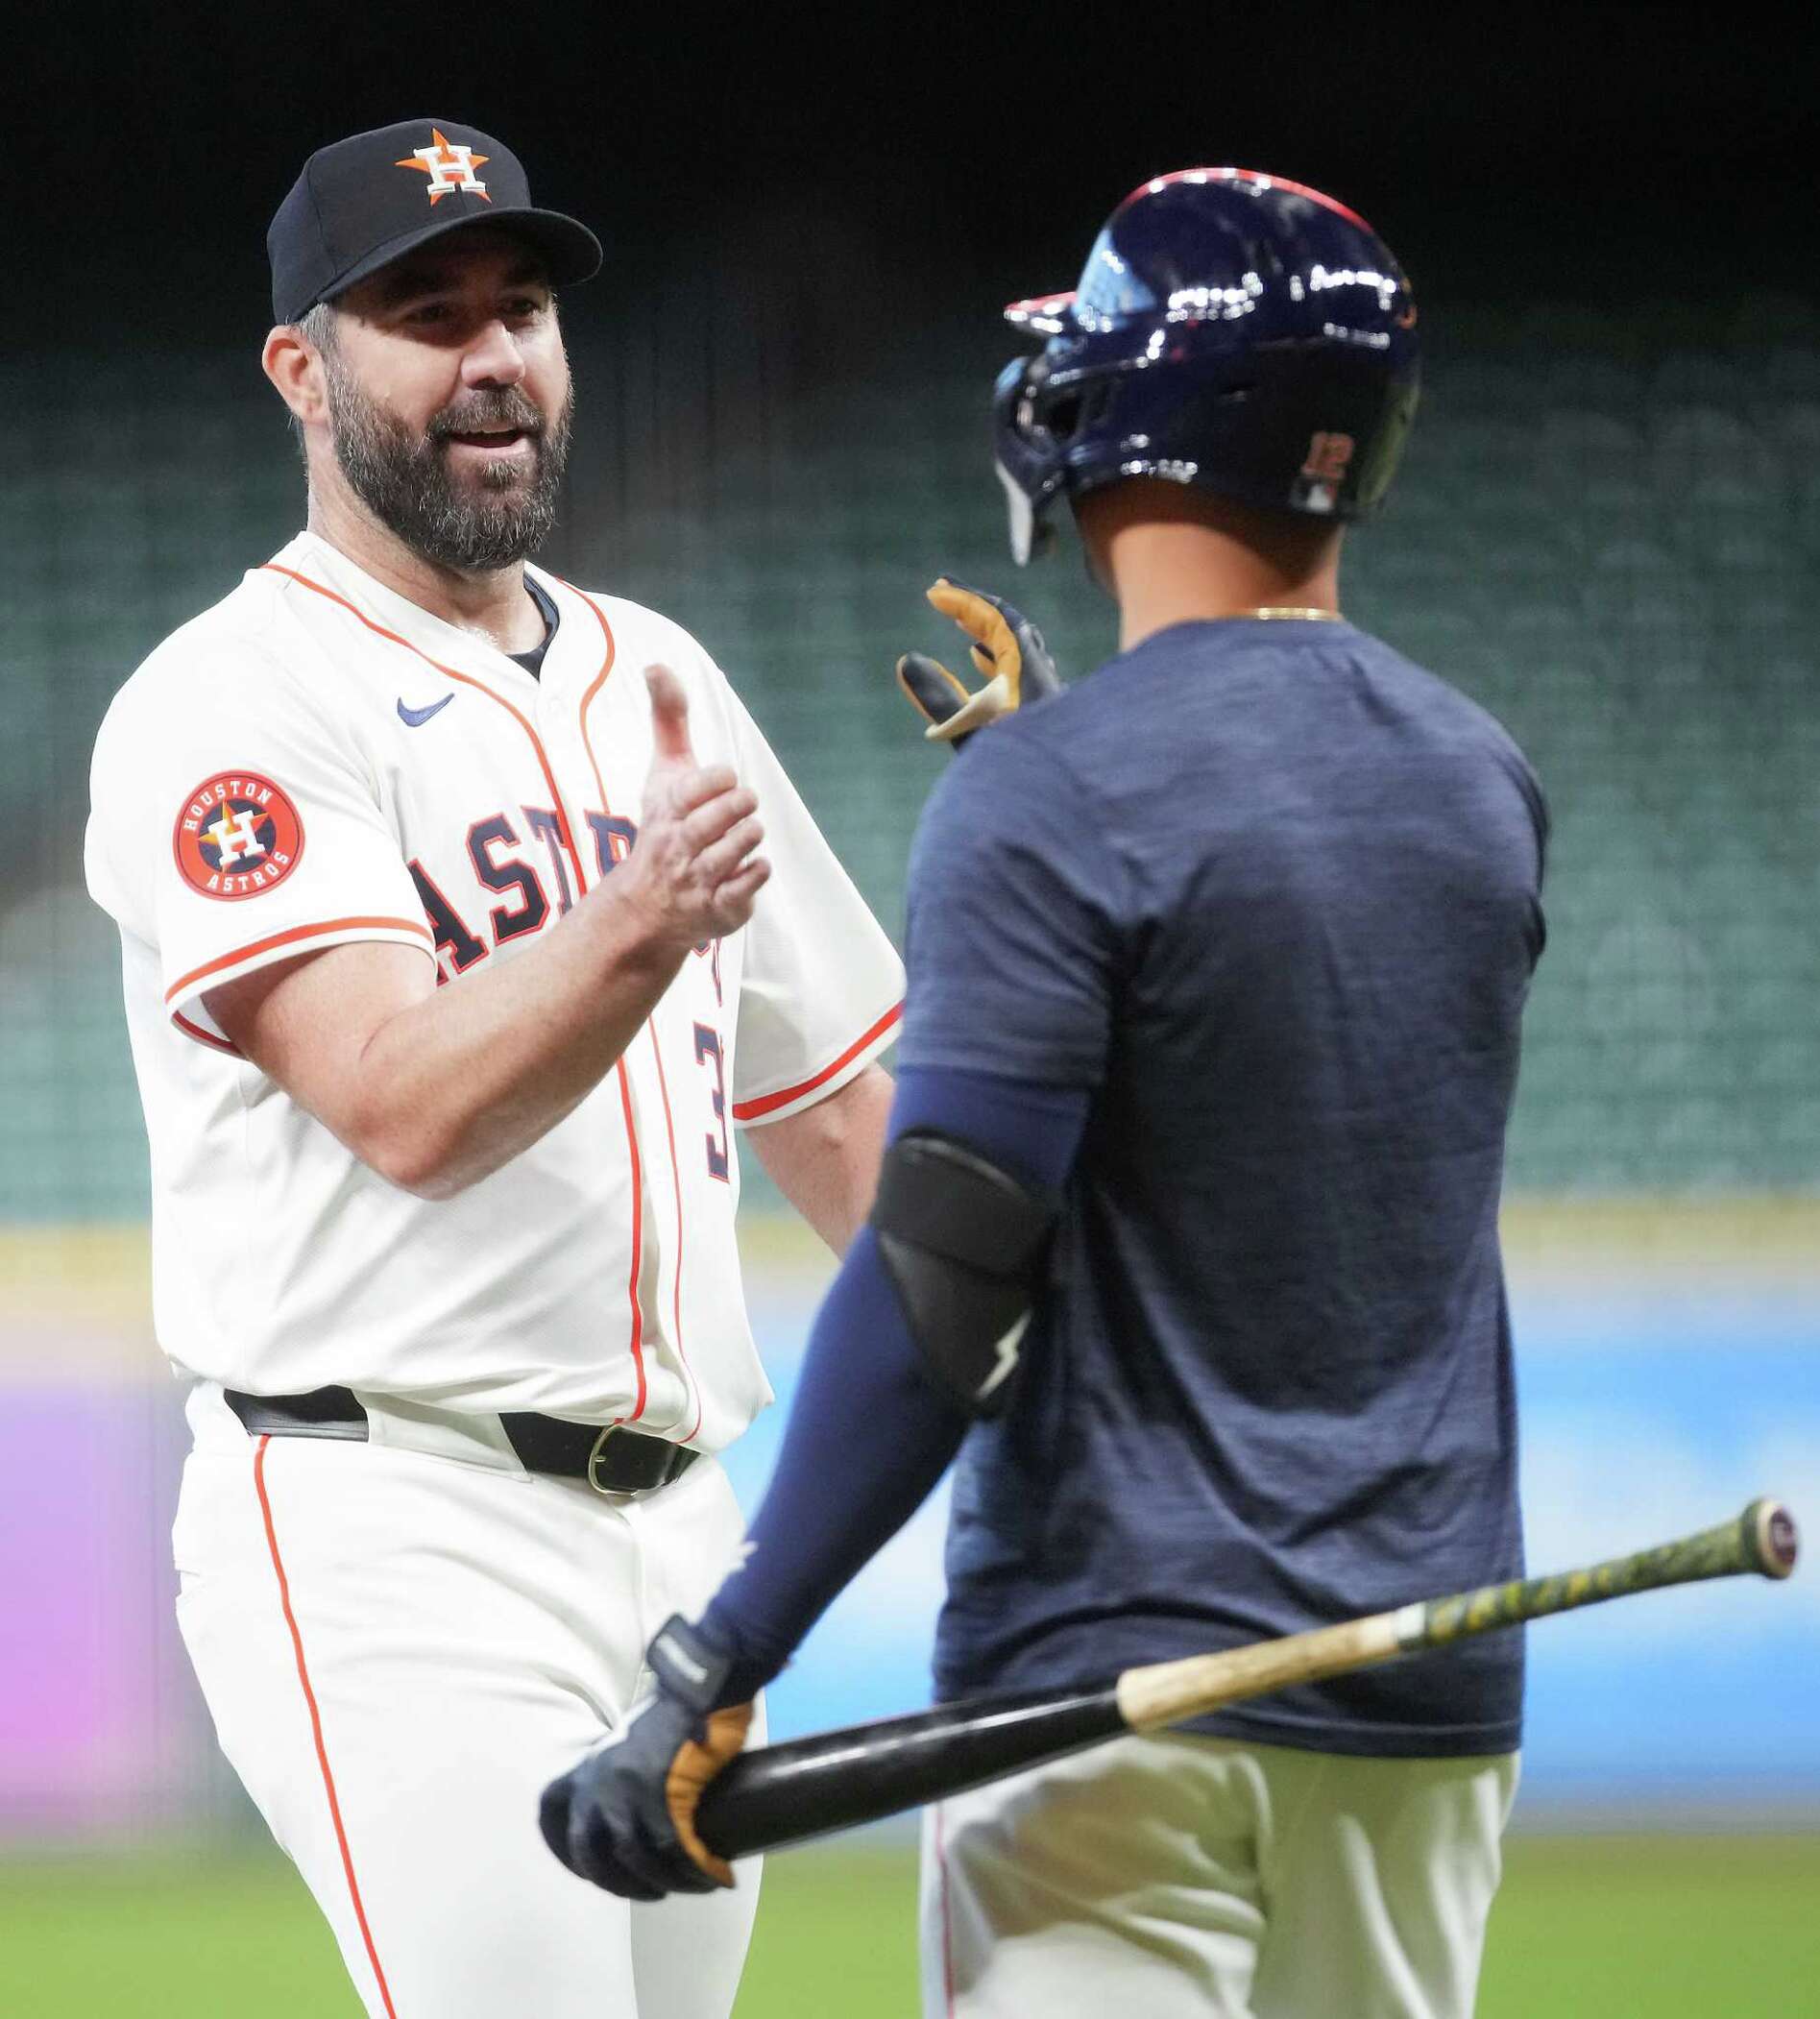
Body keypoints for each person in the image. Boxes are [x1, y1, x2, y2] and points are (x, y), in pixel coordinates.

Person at [542, 168, 1548, 2019]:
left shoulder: (1059, 800)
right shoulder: (1481, 782)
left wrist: (722, 1652)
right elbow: (1269, 1039)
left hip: (1107, 1694)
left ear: (1120, 416)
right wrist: (1074, 770)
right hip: (1422, 1695)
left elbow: (944, 1275)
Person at [83, 118, 903, 2019]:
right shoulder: (234, 697)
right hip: (396, 1518)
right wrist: (637, 917)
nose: (493, 354)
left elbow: (856, 1117)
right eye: (424, 311)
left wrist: (1082, 1400)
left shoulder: (655, 672)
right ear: (301, 368)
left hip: (684, 1543)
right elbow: (401, 1099)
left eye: (521, 306)